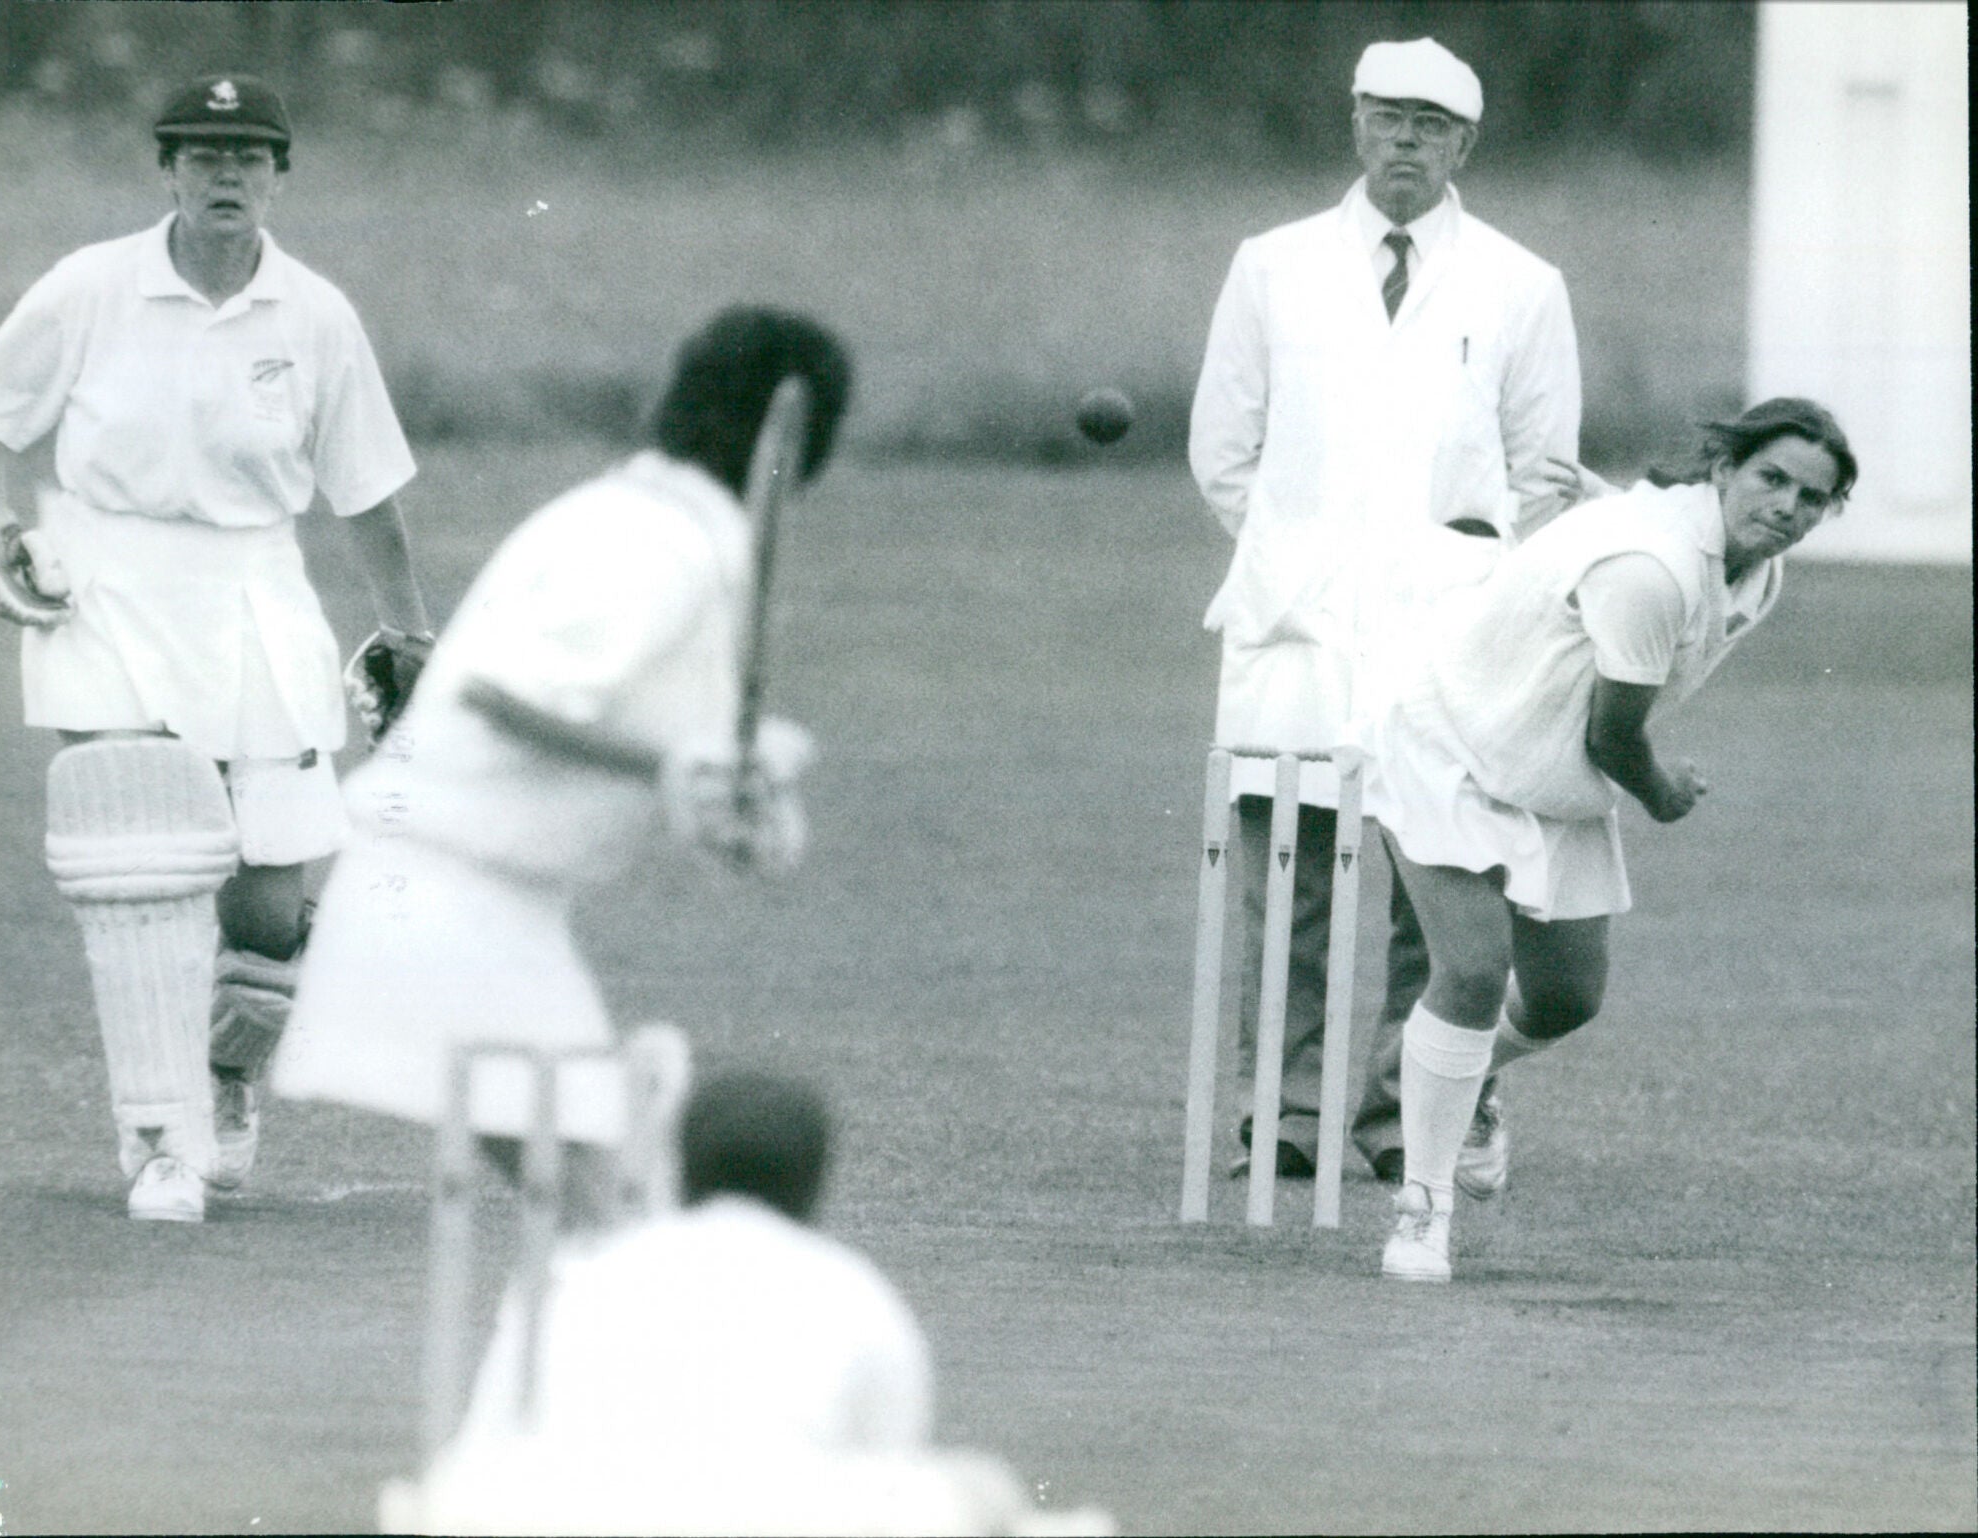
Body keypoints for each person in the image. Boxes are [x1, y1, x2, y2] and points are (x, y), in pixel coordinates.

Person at [0, 73, 433, 1223]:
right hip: (107, 578)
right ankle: (160, 1135)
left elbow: (366, 487)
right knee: (143, 850)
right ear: (168, 170)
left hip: (251, 582)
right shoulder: (92, 287)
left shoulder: (315, 314)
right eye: (199, 156)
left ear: (279, 176)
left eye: (247, 159)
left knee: (267, 898)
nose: (223, 176)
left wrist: (406, 627)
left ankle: (226, 1074)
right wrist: (4, 534)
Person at [273, 307, 850, 1194]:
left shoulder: (655, 525)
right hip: (446, 907)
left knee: (611, 1213)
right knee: (621, 1214)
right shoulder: (653, 542)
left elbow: (632, 744)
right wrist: (673, 769)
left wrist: (721, 798)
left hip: (475, 907)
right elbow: (501, 699)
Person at [1188, 37, 1586, 1185]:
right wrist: (1304, 567)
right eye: (1384, 118)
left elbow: (1542, 474)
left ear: (1464, 144)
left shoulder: (1521, 282)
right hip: (1297, 628)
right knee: (1288, 883)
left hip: (1451, 641)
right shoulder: (1272, 264)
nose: (1402, 141)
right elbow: (1224, 452)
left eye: (1427, 125)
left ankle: (1398, 1113)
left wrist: (1447, 586)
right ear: (1355, 126)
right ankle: (1283, 1116)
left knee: (1437, 889)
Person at [1368, 398, 1858, 1281]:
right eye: (1771, 479)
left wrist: (1607, 519)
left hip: (1546, 769)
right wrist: (1665, 794)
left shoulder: (1752, 573)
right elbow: (1615, 738)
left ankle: (1465, 1075)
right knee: (1472, 973)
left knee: (1565, 998)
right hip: (1449, 738)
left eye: (1812, 498)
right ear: (1723, 472)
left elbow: (1644, 539)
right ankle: (1422, 1211)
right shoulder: (1652, 567)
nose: (1787, 507)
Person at [392, 1073, 1111, 1536]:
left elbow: (492, 1431)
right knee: (986, 1489)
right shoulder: (849, 1289)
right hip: (779, 1514)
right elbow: (887, 1450)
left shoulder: (583, 1272)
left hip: (555, 1512)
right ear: (815, 1183)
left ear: (686, 1166)